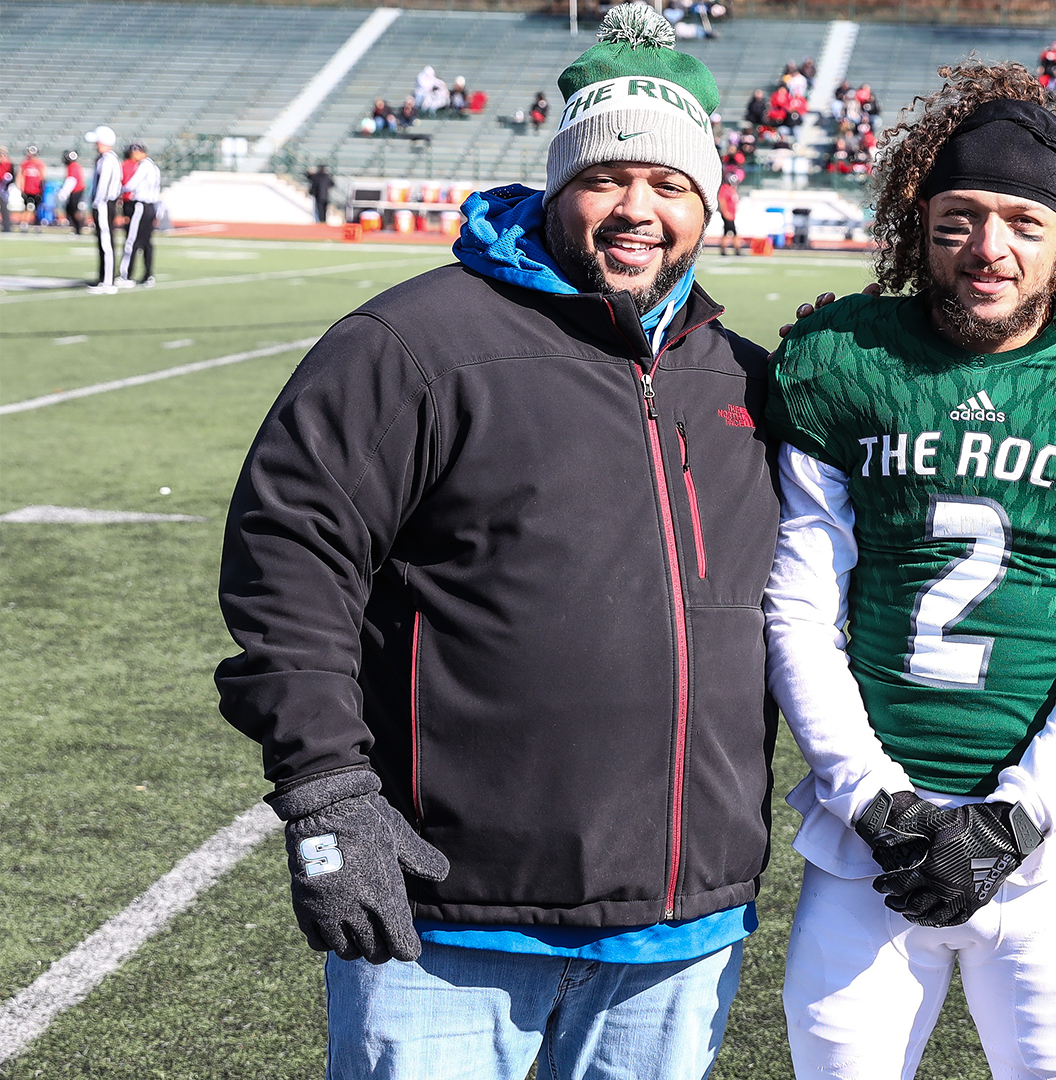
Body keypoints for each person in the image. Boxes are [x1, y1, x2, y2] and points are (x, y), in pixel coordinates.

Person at [215, 7, 779, 1078]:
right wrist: (330, 796)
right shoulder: (416, 342)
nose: (638, 209)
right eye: (608, 177)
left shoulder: (743, 379)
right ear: (558, 183)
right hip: (448, 919)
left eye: (669, 185)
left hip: (681, 930)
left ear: (710, 203)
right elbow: (290, 557)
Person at [766, 61, 1056, 1080]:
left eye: (1020, 219)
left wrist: (1017, 815)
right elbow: (798, 613)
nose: (988, 248)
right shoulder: (844, 362)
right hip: (863, 848)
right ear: (916, 221)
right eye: (959, 216)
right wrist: (875, 799)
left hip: (1046, 854)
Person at [82, 128, 122, 293]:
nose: (95, 145)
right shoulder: (109, 159)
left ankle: (107, 281)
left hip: (104, 203)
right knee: (102, 240)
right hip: (105, 203)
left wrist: (97, 202)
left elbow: (104, 184)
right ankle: (103, 278)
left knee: (106, 241)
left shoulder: (107, 159)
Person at [116, 142, 160, 287]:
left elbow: (131, 184)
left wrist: (120, 189)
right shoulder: (154, 167)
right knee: (146, 243)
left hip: (141, 205)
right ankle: (148, 275)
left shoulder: (144, 166)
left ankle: (126, 274)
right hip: (151, 206)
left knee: (132, 240)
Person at [20, 146, 45, 232]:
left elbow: (42, 176)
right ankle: (24, 224)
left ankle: (37, 225)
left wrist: (41, 189)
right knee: (27, 208)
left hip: (37, 190)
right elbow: (22, 176)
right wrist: (22, 188)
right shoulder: (25, 164)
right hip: (27, 190)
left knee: (37, 209)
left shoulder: (40, 164)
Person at [716, 167, 740, 255]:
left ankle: (724, 249)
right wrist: (725, 212)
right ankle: (736, 249)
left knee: (727, 232)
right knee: (733, 232)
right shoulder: (725, 189)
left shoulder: (731, 190)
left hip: (731, 214)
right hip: (728, 214)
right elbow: (722, 201)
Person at [60, 149, 84, 234]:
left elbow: (72, 180)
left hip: (76, 191)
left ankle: (78, 227)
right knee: (70, 209)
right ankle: (76, 227)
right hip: (76, 190)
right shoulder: (74, 166)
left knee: (74, 210)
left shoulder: (73, 166)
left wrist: (64, 193)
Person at [0, 145, 12, 233]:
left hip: (3, 189)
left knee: (4, 207)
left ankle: (7, 226)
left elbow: (11, 176)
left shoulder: (8, 165)